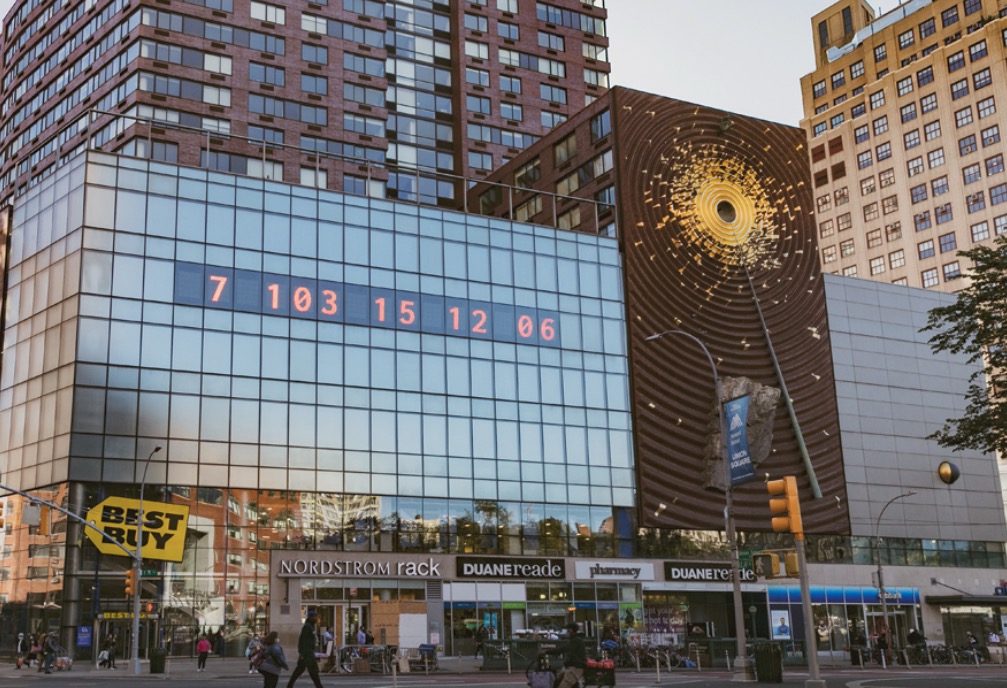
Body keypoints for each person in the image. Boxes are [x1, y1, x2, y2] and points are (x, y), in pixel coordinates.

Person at [286, 609, 324, 688]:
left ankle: (289, 685)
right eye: (315, 617)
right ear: (311, 617)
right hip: (307, 654)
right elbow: (303, 641)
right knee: (313, 672)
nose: (316, 619)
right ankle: (319, 686)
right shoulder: (307, 627)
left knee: (299, 671)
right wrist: (304, 653)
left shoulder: (310, 627)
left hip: (306, 653)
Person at [554, 622, 586, 688]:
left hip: (575, 667)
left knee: (563, 686)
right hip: (569, 666)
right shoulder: (574, 639)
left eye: (567, 630)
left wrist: (547, 652)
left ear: (571, 630)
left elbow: (564, 649)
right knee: (556, 680)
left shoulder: (576, 640)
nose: (566, 632)